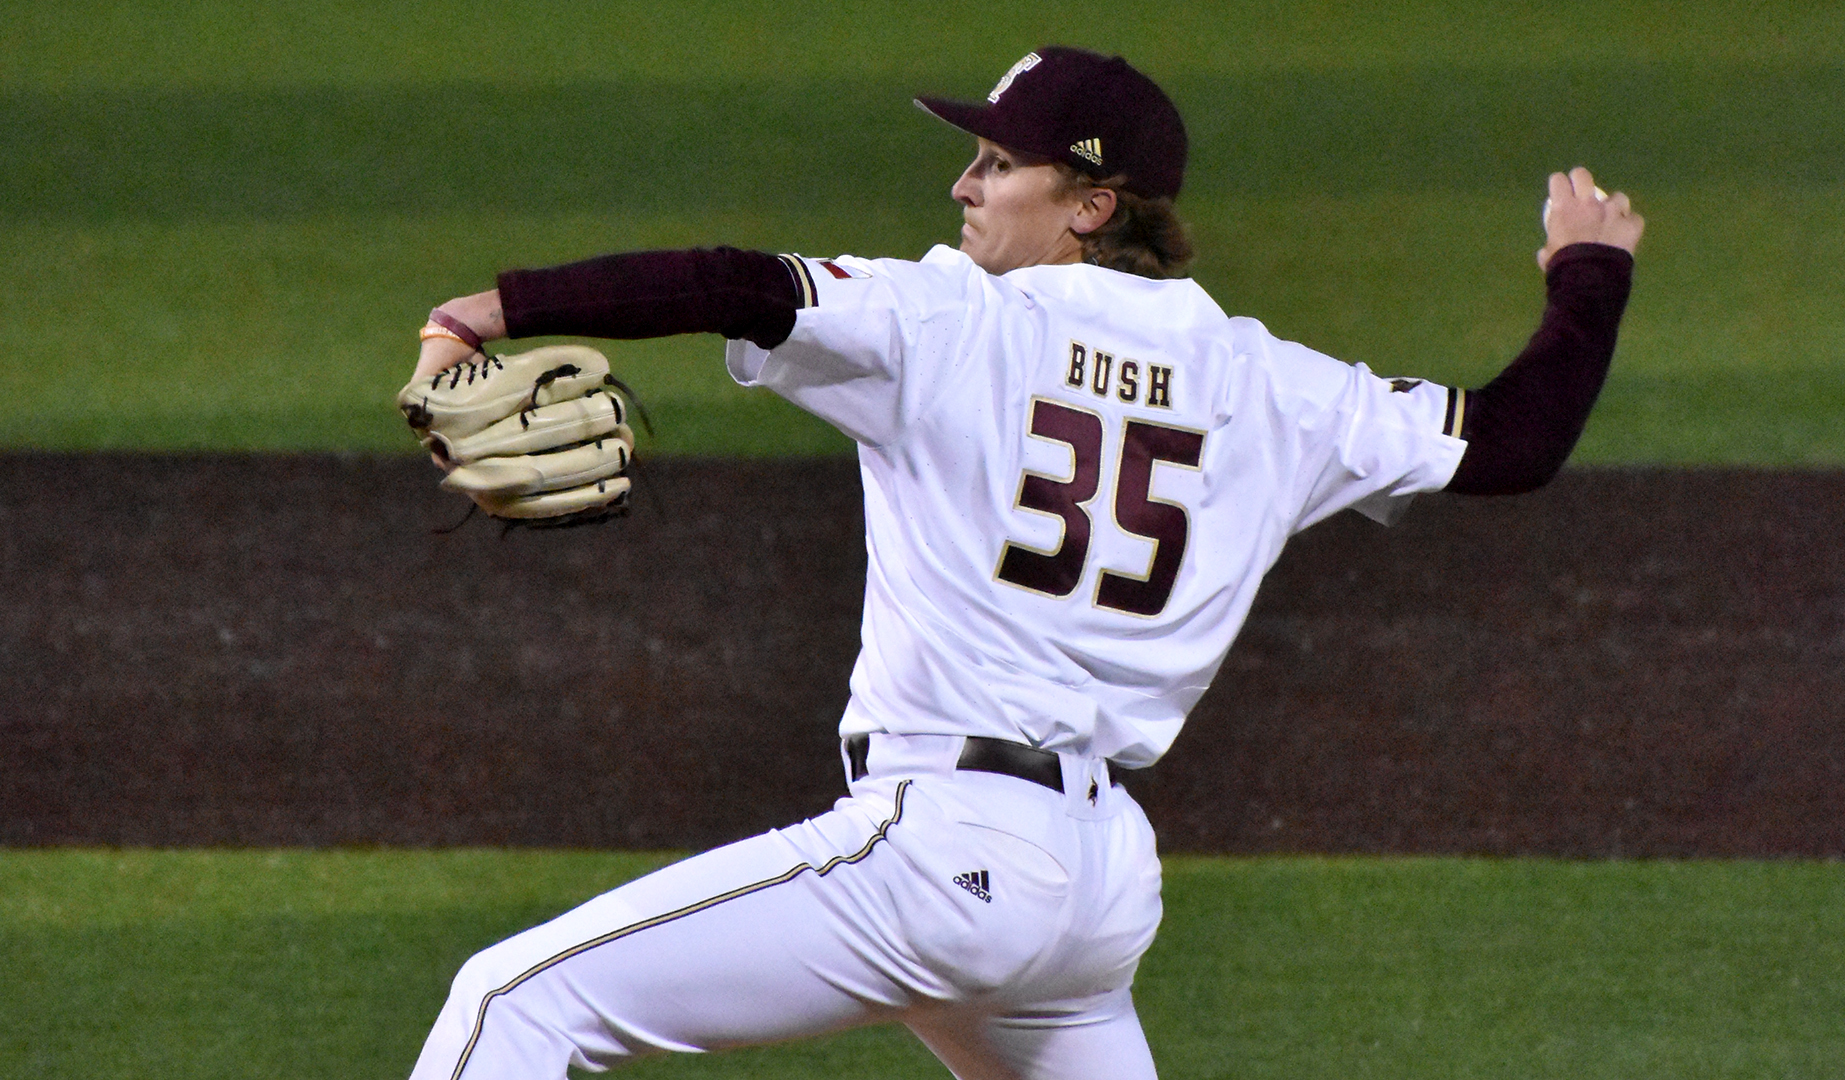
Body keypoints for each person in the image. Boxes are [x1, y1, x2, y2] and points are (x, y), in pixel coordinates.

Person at [403, 46, 1643, 1080]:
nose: (963, 187)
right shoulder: (1275, 384)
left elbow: (732, 284)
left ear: (1090, 206)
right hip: (1097, 895)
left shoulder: (953, 320)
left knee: (513, 1004)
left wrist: (479, 315)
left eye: (999, 164)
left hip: (942, 857)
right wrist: (1589, 273)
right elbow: (1516, 441)